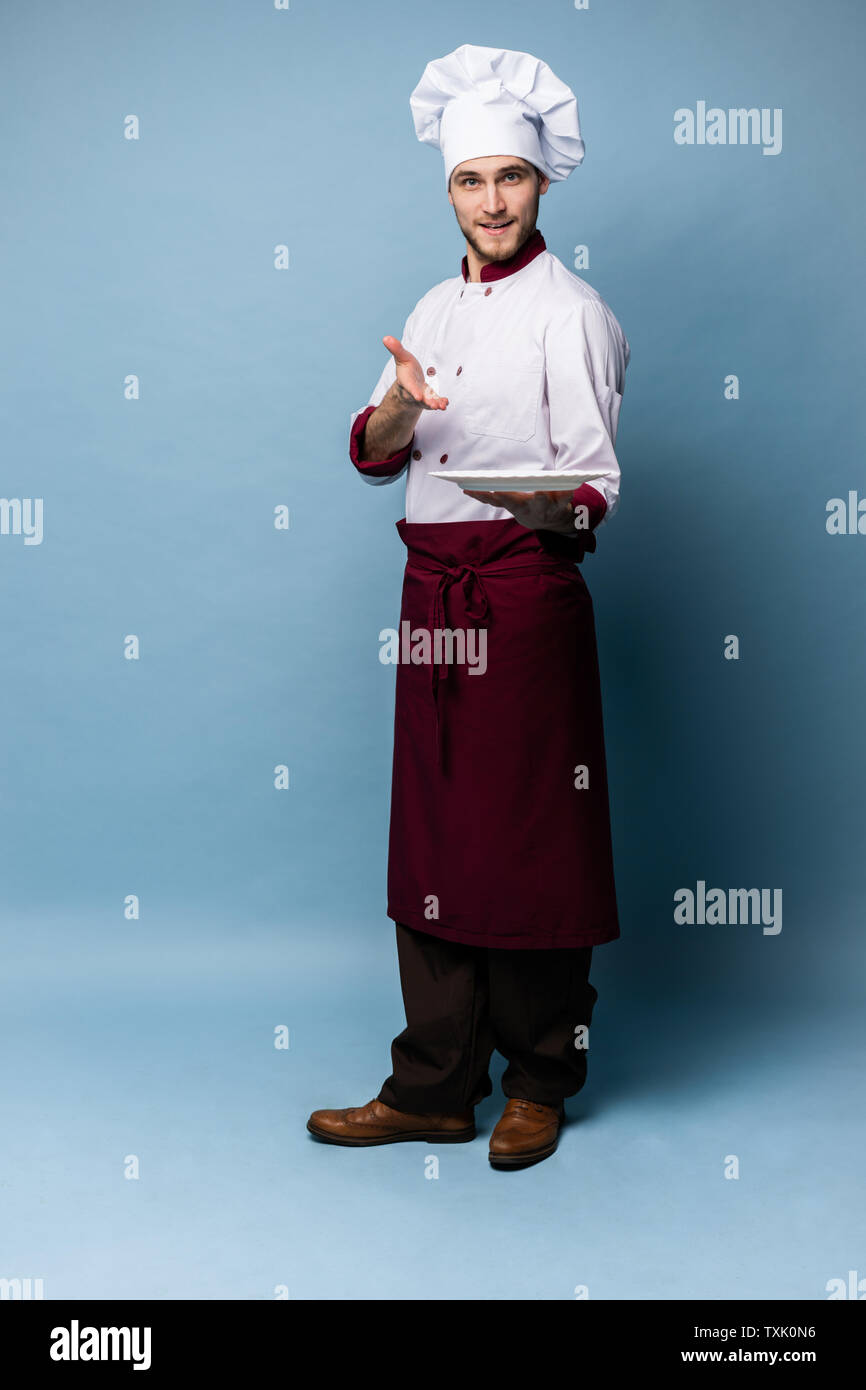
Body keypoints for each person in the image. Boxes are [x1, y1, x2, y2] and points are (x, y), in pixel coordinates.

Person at [308, 43, 630, 1169]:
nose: (489, 200)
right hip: (430, 592)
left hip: (525, 595)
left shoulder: (573, 314)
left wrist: (530, 500)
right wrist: (399, 408)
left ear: (541, 185)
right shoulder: (428, 310)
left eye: (509, 177)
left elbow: (595, 491)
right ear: (447, 191)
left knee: (531, 833)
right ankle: (435, 1082)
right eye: (467, 180)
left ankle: (541, 1076)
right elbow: (369, 453)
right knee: (436, 828)